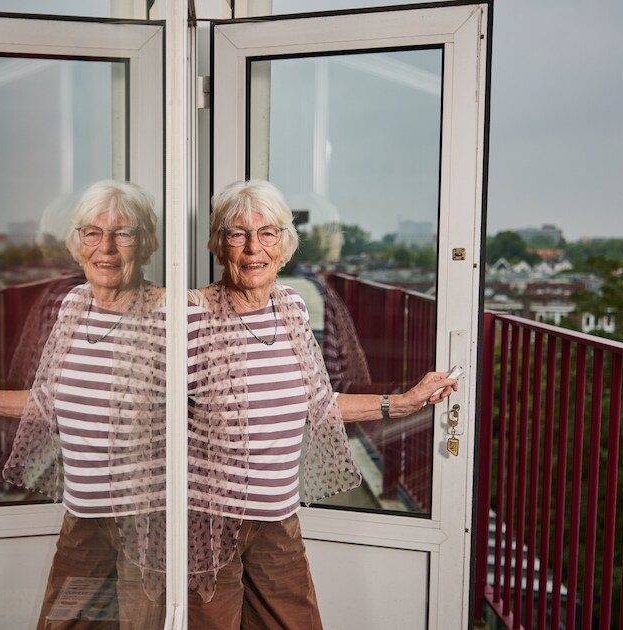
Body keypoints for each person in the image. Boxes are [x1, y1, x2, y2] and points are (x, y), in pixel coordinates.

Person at [185, 179, 458, 628]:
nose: (254, 247)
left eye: (268, 233)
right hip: (208, 520)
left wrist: (405, 403)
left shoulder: (292, 306)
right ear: (220, 245)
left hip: (276, 515)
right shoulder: (191, 315)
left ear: (285, 244)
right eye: (238, 234)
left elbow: (317, 402)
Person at [0, 180, 167, 629]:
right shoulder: (72, 306)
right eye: (92, 233)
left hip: (150, 523)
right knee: (62, 623)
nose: (105, 247)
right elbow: (47, 399)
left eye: (123, 234)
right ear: (77, 244)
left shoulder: (171, 313)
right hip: (85, 512)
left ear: (145, 244)